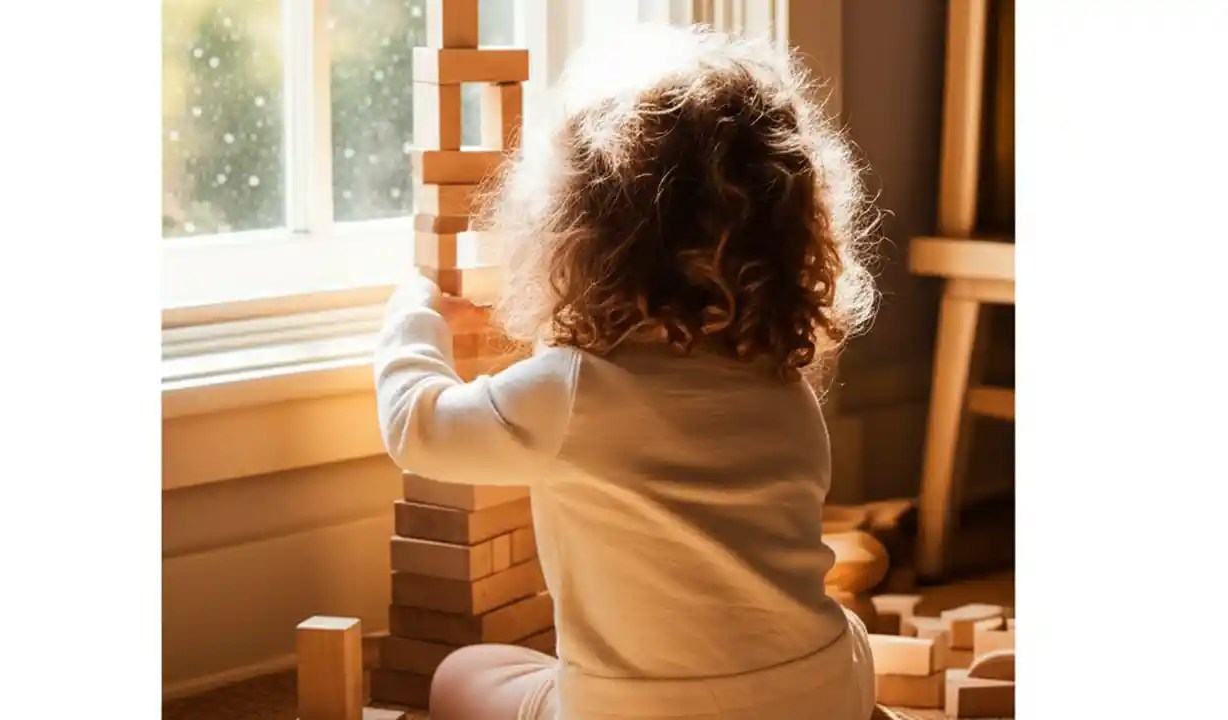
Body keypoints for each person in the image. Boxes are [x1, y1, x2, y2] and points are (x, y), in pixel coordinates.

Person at [374, 22, 880, 720]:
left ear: (579, 243)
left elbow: (416, 426)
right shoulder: (784, 388)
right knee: (834, 633)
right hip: (821, 696)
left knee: (465, 672)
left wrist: (412, 315)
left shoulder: (570, 390)